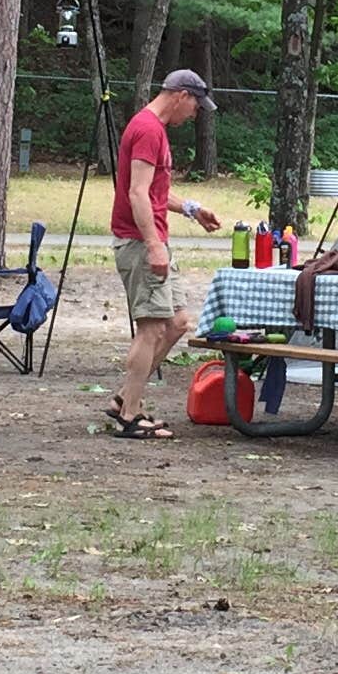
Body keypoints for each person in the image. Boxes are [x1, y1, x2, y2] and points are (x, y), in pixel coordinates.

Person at [106, 68, 222, 436]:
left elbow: (154, 192)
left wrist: (192, 209)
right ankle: (130, 417)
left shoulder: (154, 130)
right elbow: (136, 194)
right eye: (195, 106)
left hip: (153, 241)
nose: (195, 113)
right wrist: (154, 245)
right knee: (152, 329)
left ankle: (125, 398)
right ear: (180, 95)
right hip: (140, 243)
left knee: (176, 323)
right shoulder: (147, 130)